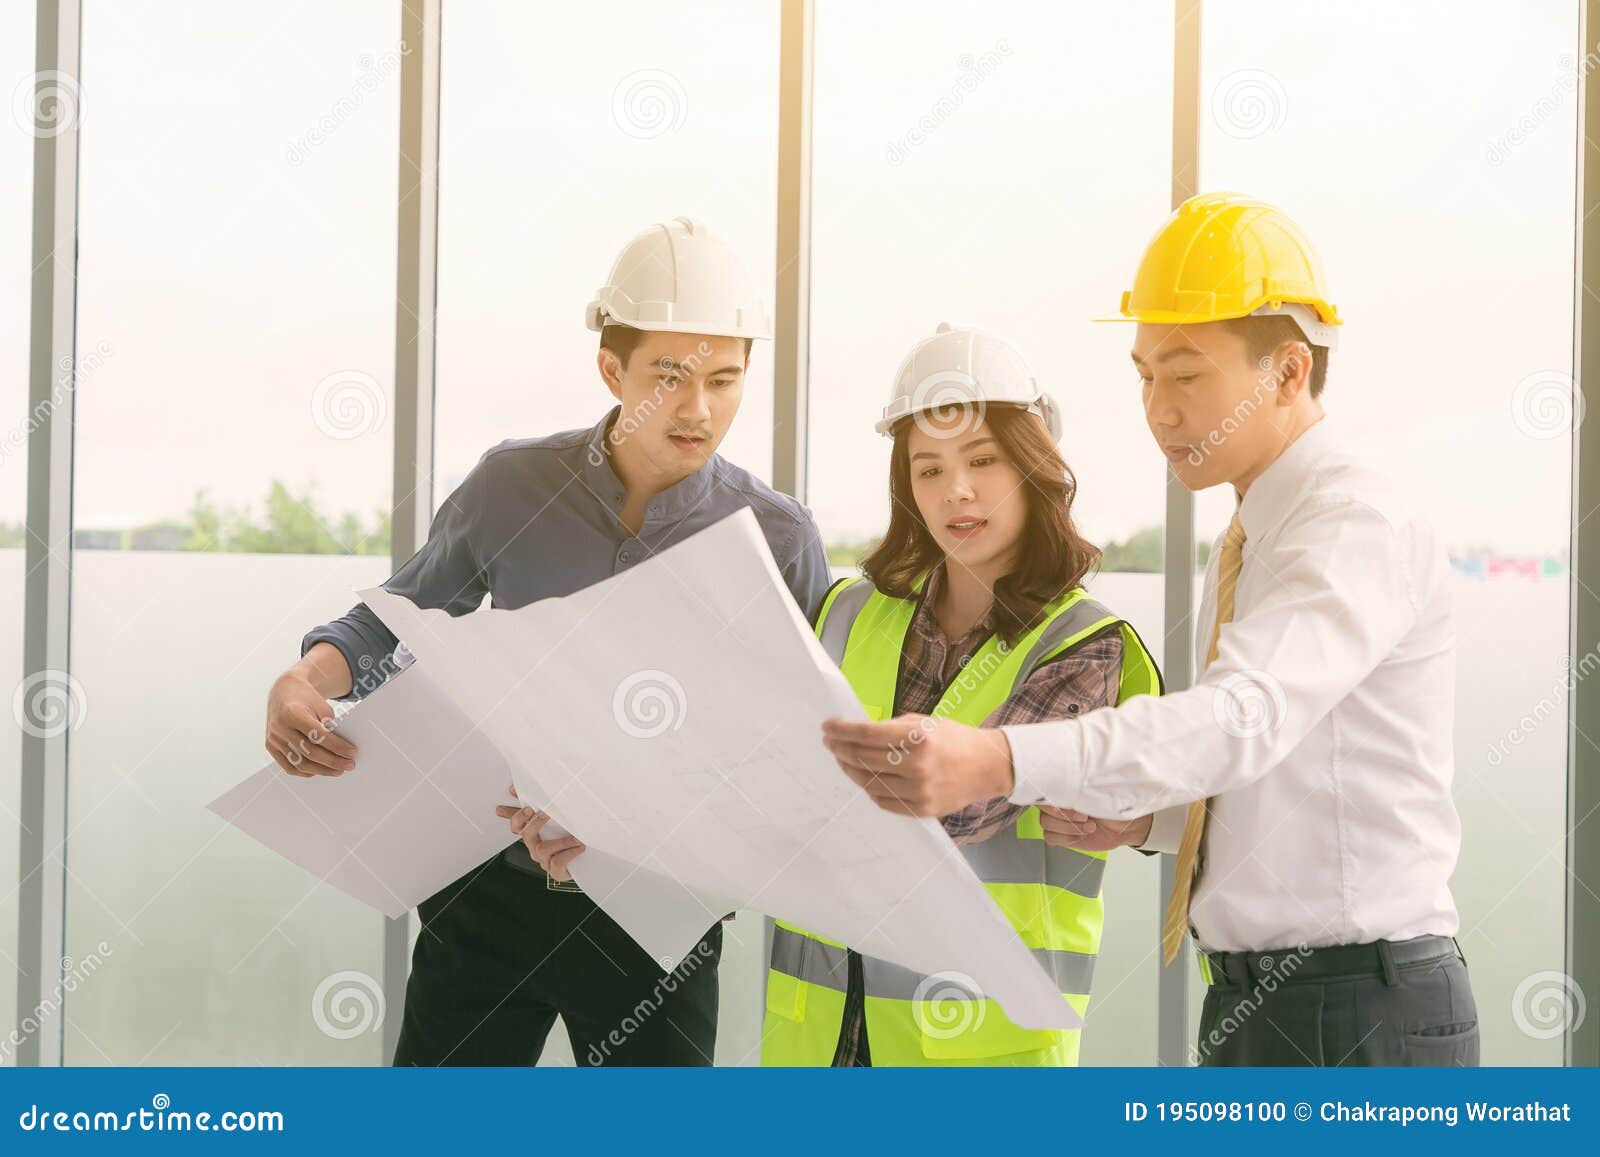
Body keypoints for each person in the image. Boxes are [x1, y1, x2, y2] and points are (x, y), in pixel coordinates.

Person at [819, 193, 1478, 1067]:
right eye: (1144, 376)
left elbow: (1244, 719)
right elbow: (1273, 782)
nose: (1158, 409)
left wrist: (998, 758)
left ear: (1287, 372)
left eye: (1187, 374)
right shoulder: (1252, 538)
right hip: (1270, 1001)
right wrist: (1146, 827)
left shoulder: (1353, 522)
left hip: (1357, 1013)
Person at [264, 217, 832, 1066]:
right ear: (613, 369)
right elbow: (399, 614)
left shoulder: (777, 537)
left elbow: (805, 743)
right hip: (487, 896)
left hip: (658, 911)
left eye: (723, 378)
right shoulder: (511, 486)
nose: (699, 408)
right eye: (669, 377)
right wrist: (308, 677)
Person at [762, 324, 1166, 1067]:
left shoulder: (1082, 644)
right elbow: (768, 784)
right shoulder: (848, 612)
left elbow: (959, 807)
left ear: (1033, 465)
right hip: (818, 1042)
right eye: (928, 468)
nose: (956, 491)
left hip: (982, 1059)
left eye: (984, 460)